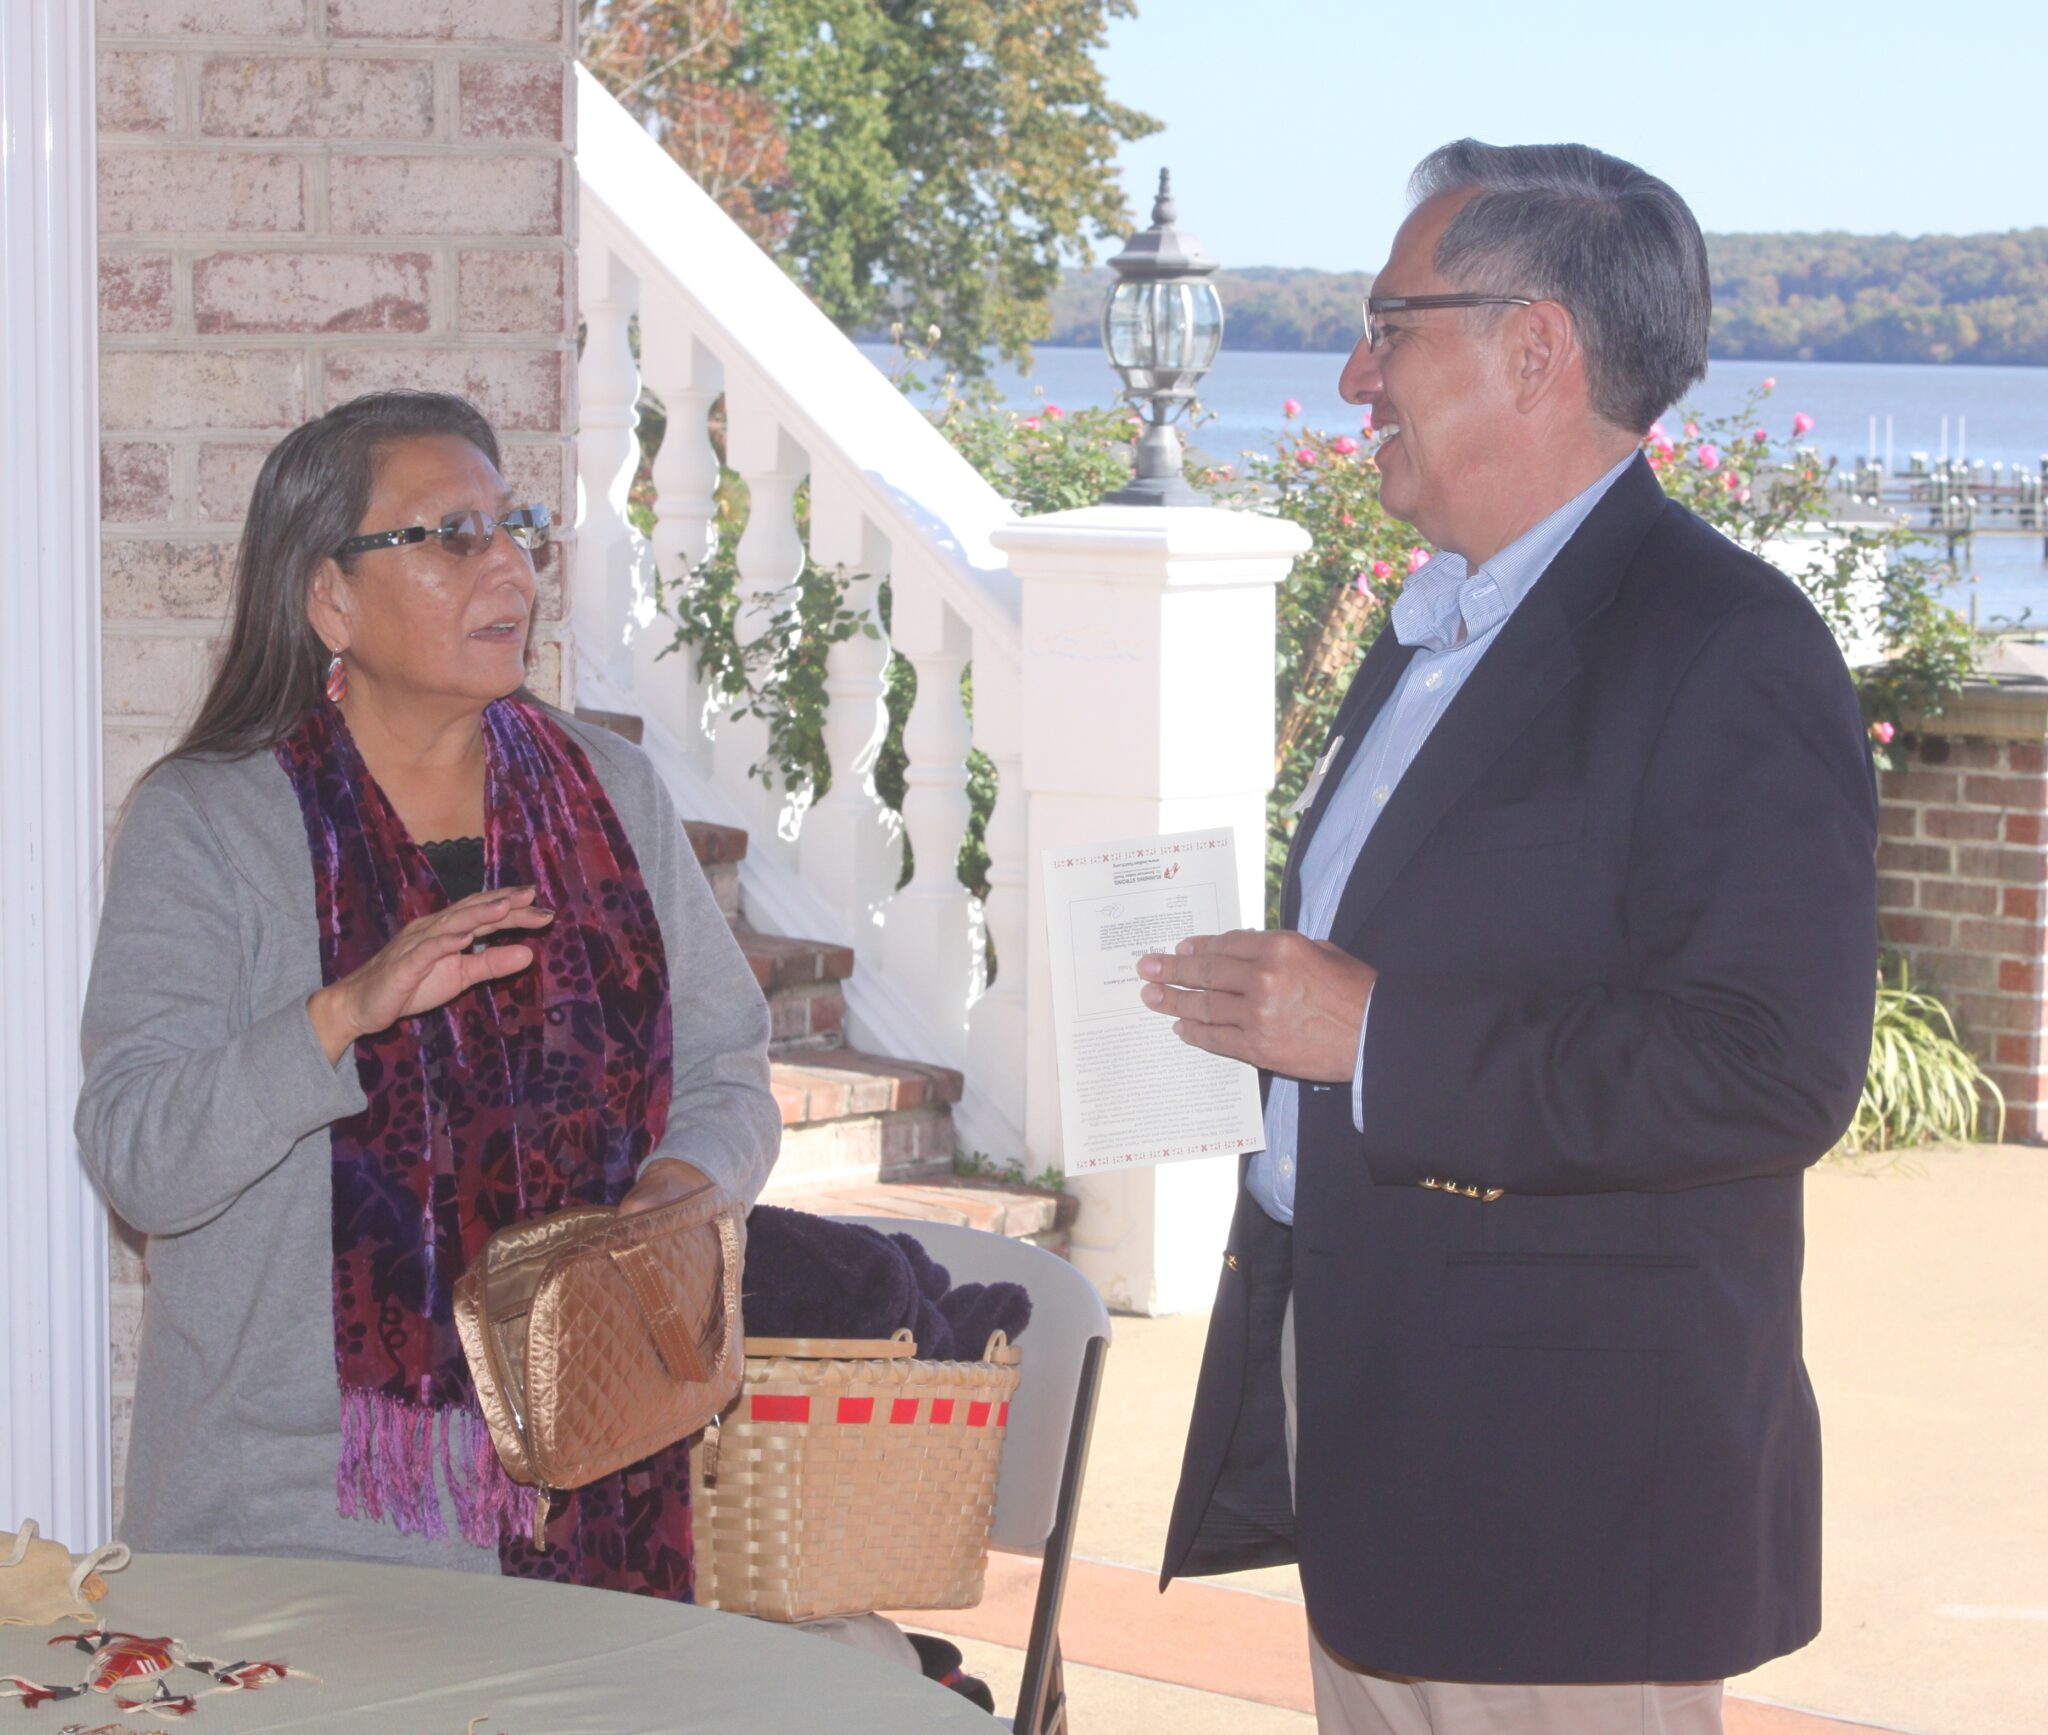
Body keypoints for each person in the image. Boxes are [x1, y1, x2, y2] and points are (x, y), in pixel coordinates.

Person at [1146, 142, 1877, 1733]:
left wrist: (1371, 1035)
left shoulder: (1726, 643)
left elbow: (1772, 1066)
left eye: (1388, 328)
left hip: (1566, 1479)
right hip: (1385, 1425)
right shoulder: (1439, 623)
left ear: (1535, 348)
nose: (1356, 377)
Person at [76, 391, 780, 1596]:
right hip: (299, 1521)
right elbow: (140, 1157)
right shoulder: (208, 821)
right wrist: (341, 1014)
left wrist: (662, 1213)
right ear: (329, 598)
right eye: (451, 536)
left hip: (601, 1495)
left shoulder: (609, 791)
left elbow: (725, 1071)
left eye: (513, 527)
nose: (507, 566)